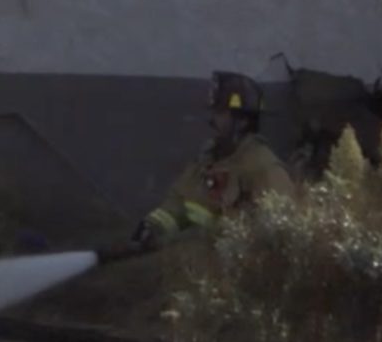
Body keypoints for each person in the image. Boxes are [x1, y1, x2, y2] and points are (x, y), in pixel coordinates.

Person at [111, 71, 296, 259]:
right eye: (214, 111)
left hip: (232, 266)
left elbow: (278, 230)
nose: (212, 119)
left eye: (220, 112)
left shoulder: (262, 167)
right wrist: (154, 226)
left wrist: (207, 237)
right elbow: (180, 200)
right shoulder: (208, 159)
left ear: (242, 121)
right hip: (193, 262)